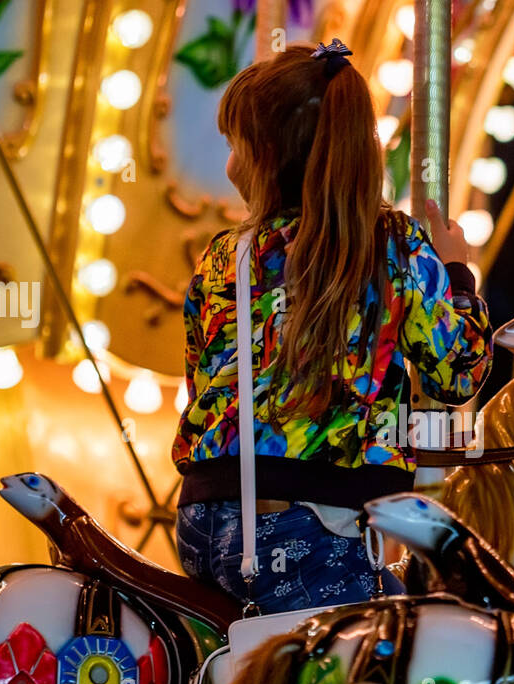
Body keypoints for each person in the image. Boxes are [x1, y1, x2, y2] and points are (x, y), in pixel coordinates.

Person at [171, 41, 492, 615]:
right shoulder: (394, 247)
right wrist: (455, 273)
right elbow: (459, 373)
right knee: (400, 659)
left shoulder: (225, 256)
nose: (229, 166)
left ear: (265, 155)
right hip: (312, 526)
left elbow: (203, 381)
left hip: (204, 518)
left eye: (234, 147)